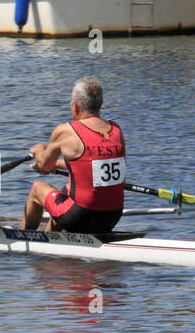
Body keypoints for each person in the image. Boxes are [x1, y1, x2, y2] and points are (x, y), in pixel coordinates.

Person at [23, 77, 125, 233]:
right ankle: (49, 237)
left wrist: (38, 151)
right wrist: (56, 164)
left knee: (38, 188)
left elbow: (44, 166)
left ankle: (23, 237)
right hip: (113, 216)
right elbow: (88, 163)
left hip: (81, 217)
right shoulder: (116, 130)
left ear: (75, 105)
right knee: (67, 189)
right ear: (100, 104)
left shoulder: (66, 130)